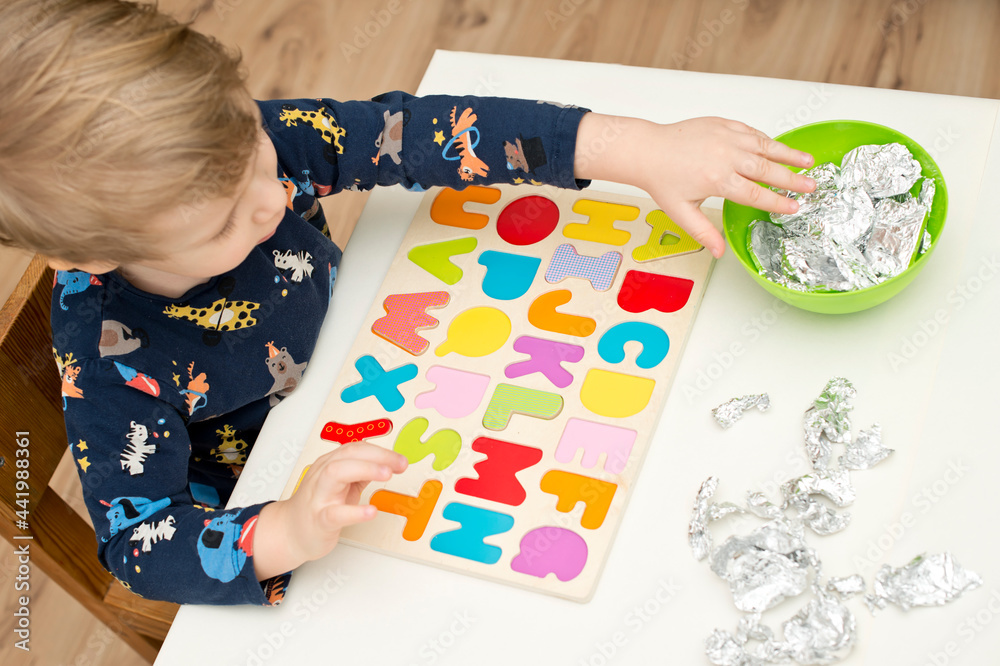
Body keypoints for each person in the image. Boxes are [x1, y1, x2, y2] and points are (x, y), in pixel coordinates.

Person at [0, 0, 816, 605]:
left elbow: (425, 129)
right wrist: (284, 528)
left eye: (253, 142)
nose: (273, 195)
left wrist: (637, 146)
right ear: (94, 256)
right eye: (225, 220)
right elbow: (140, 543)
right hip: (287, 485)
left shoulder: (232, 146)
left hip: (387, 348)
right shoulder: (107, 359)